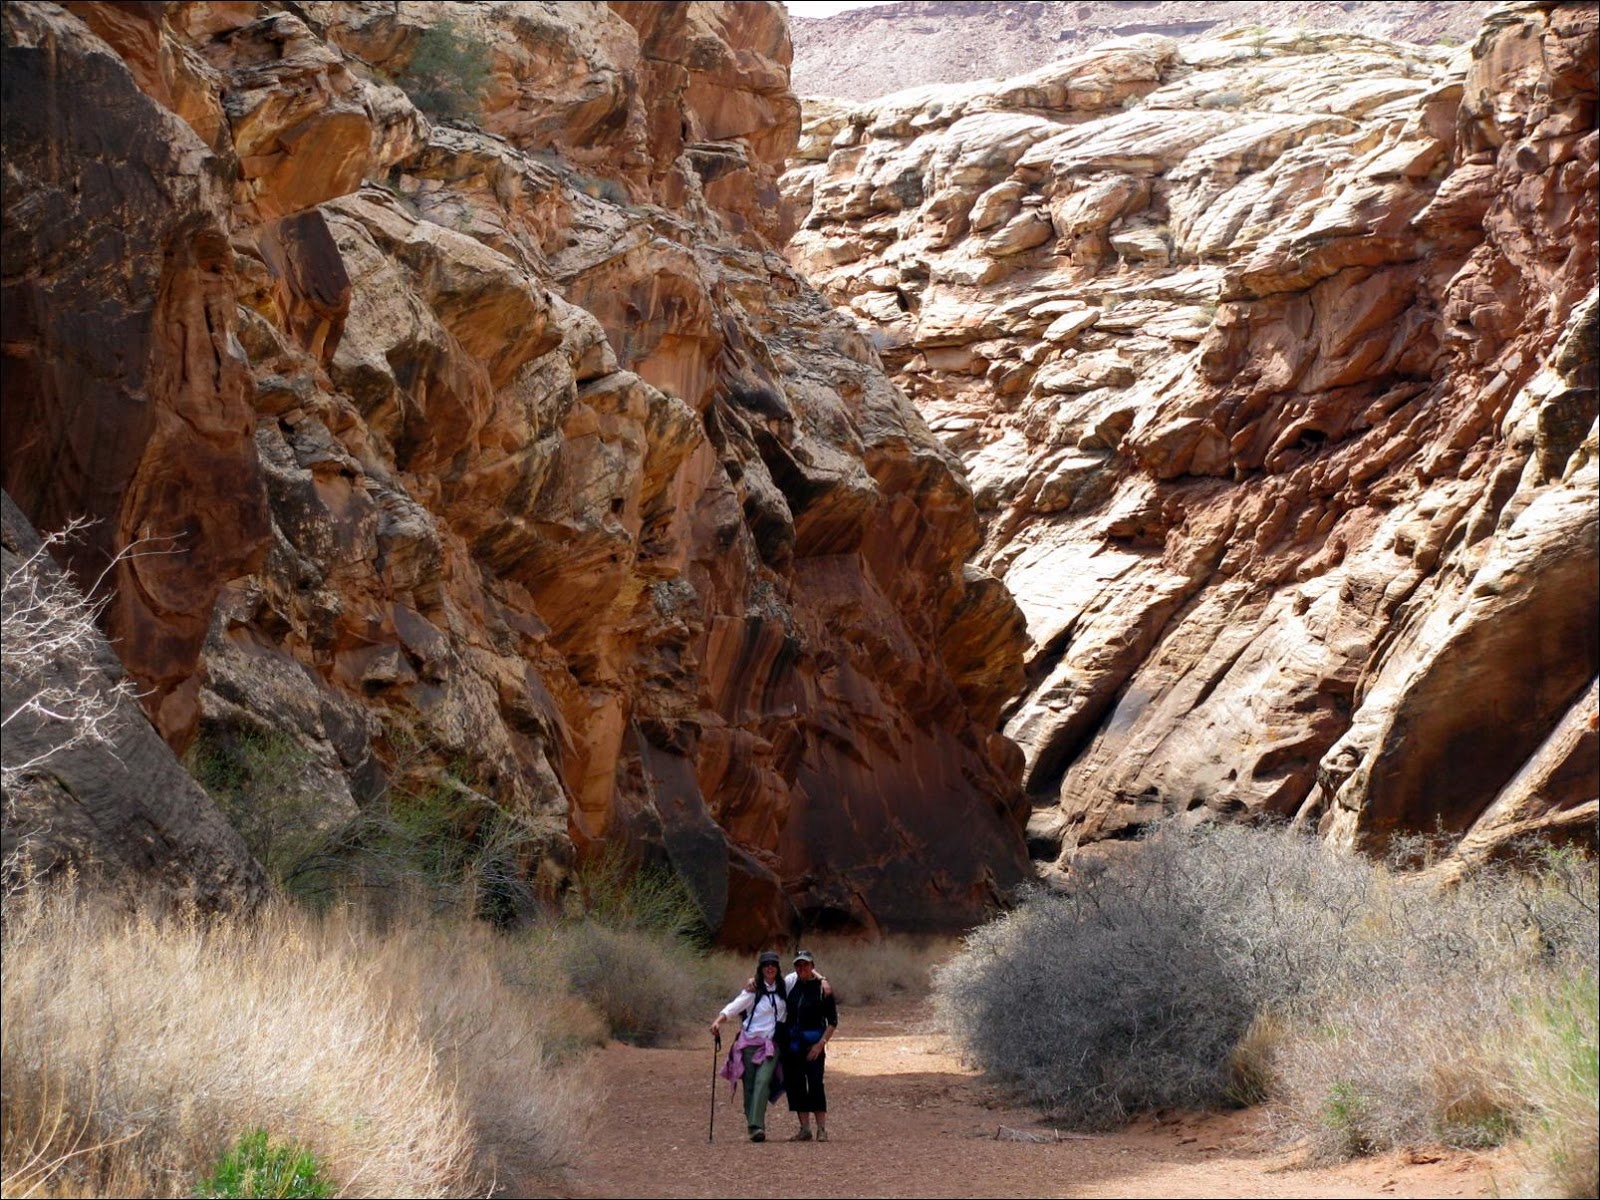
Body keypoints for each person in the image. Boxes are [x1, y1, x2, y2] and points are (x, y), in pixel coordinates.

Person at [711, 950, 787, 1142]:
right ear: (761, 969)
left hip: (770, 1045)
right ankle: (754, 1128)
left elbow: (806, 972)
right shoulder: (753, 991)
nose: (770, 968)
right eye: (766, 965)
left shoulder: (785, 987)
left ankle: (756, 1125)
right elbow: (735, 1006)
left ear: (777, 969)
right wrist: (718, 1021)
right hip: (748, 1045)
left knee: (763, 1081)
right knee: (750, 1086)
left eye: (773, 965)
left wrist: (824, 980)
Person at [780, 949, 838, 1141]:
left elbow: (832, 1021)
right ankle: (805, 1129)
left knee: (815, 1083)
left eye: (805, 964)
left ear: (812, 966)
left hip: (814, 1045)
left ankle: (822, 1129)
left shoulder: (822, 989)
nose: (802, 968)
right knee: (796, 1084)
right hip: (794, 1045)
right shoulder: (791, 985)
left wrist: (820, 1044)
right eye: (798, 965)